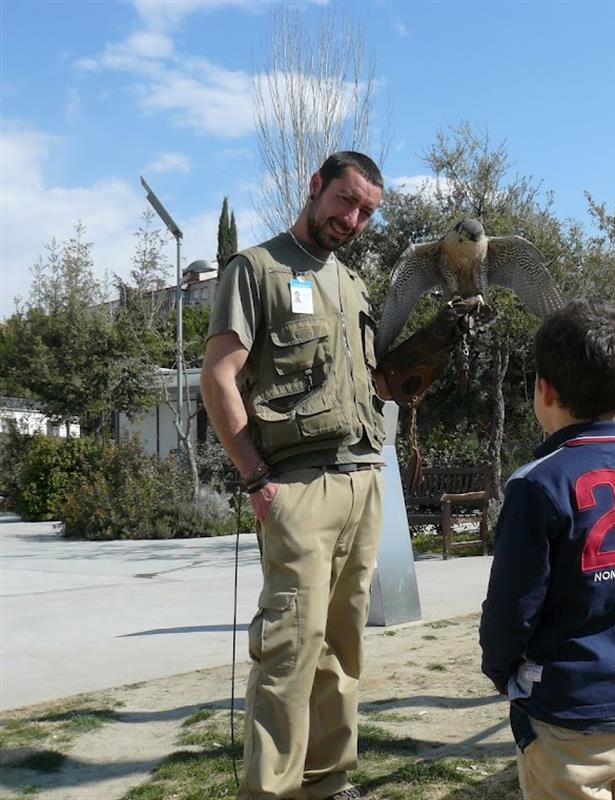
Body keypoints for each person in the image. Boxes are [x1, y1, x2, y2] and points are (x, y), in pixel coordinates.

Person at [201, 151, 386, 800]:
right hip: (298, 486)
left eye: (366, 211)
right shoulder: (256, 268)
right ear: (316, 187)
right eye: (345, 200)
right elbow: (218, 376)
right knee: (288, 652)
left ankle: (329, 783)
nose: (353, 218)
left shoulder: (353, 284)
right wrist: (256, 479)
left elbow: (373, 384)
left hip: (364, 481)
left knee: (342, 649)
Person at [480, 300, 615, 800]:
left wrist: (499, 668)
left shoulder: (537, 483)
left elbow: (513, 604)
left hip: (571, 711)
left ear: (544, 389)